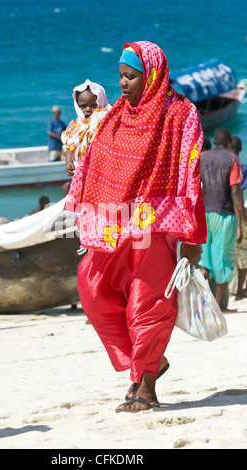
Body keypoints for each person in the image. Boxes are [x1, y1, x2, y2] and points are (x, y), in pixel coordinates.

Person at [65, 41, 207, 412]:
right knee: (92, 288)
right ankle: (150, 365)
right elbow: (97, 163)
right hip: (115, 225)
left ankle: (145, 389)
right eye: (121, 77)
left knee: (147, 305)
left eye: (131, 77)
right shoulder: (116, 117)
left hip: (157, 225)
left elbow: (191, 172)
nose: (124, 84)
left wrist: (193, 236)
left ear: (153, 75)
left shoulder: (180, 114)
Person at [199, 129, 247, 311]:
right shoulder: (232, 159)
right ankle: (220, 307)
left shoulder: (202, 158)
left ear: (215, 141)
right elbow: (235, 193)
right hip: (224, 215)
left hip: (204, 214)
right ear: (228, 143)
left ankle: (201, 302)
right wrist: (244, 221)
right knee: (224, 260)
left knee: (206, 261)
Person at [61, 80, 111, 177]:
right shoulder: (75, 126)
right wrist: (68, 163)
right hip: (80, 170)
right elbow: (69, 147)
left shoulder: (105, 120)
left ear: (100, 102)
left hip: (101, 169)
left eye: (93, 105)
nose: (88, 109)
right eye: (83, 106)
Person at [230, 136, 247, 299]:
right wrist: (242, 222)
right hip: (234, 215)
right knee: (241, 253)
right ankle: (238, 291)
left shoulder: (220, 161)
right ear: (240, 149)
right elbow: (238, 196)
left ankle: (229, 289)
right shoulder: (241, 166)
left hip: (214, 213)